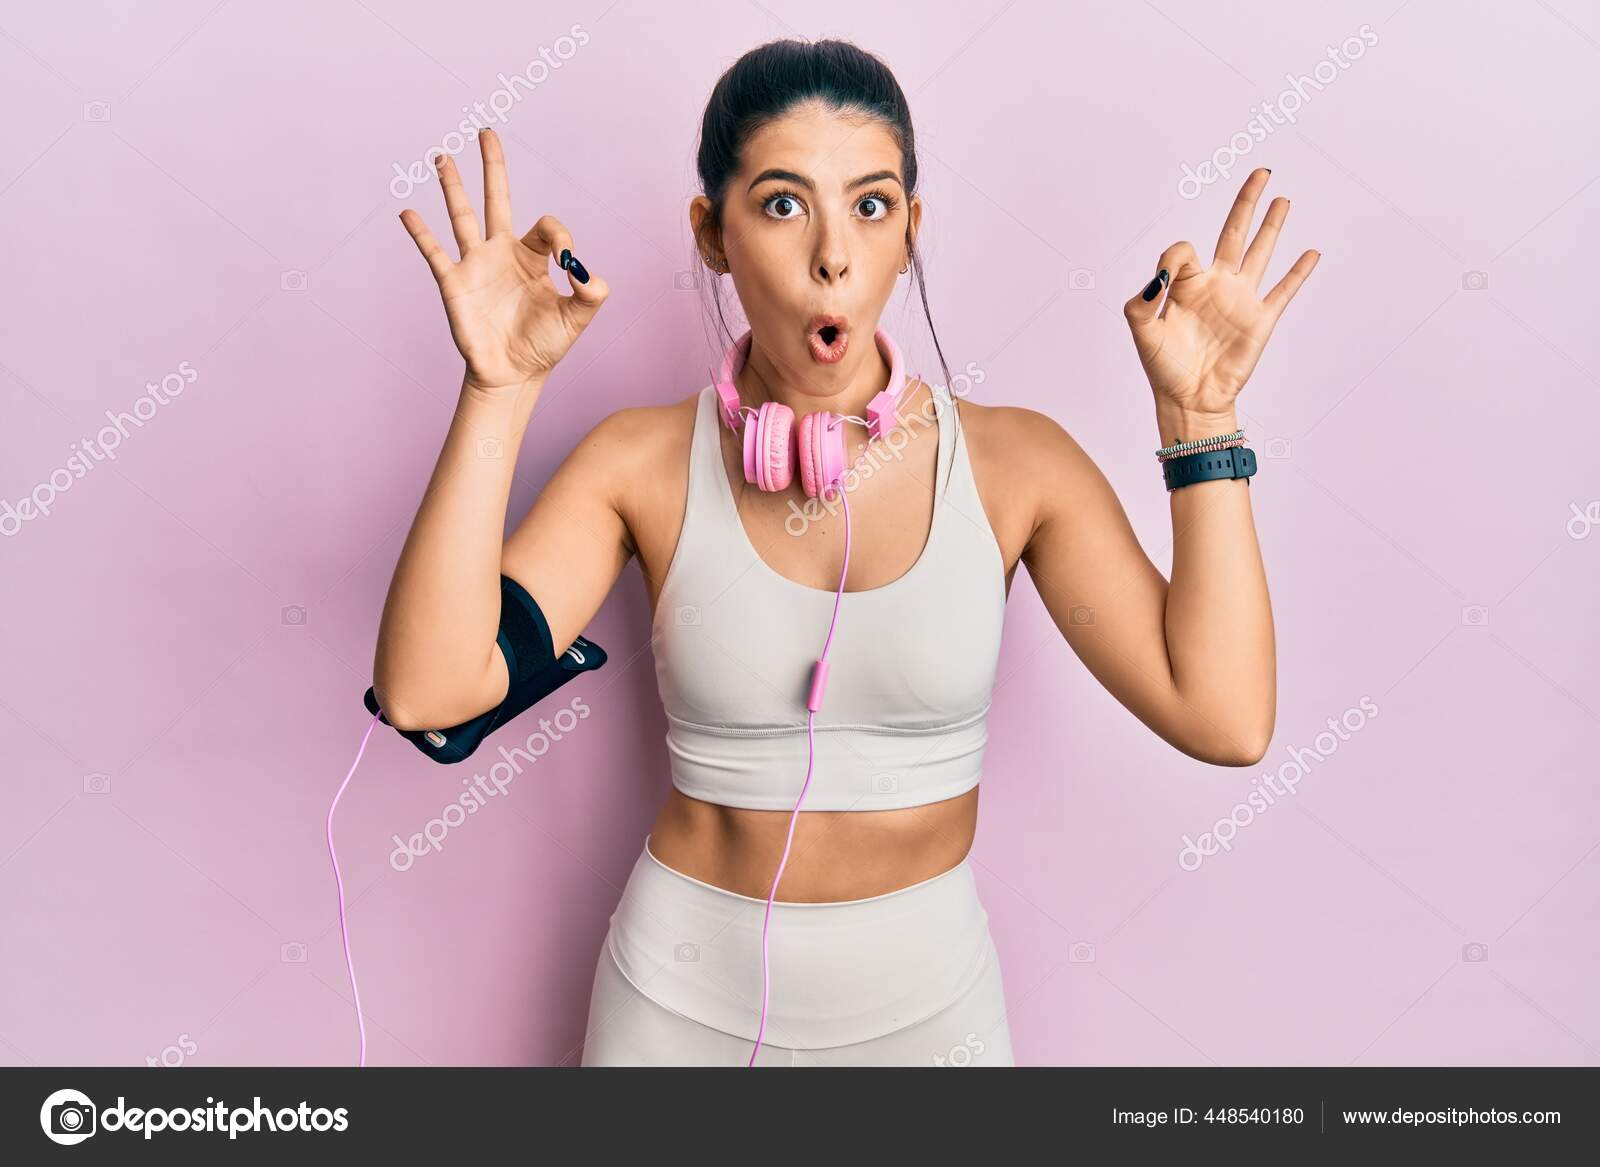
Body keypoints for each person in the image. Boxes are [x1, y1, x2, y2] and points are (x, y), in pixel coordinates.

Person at [374, 38, 1316, 1067]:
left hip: (931, 1019)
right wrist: (499, 393)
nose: (832, 255)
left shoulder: (1016, 465)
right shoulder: (635, 464)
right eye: (782, 204)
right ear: (713, 233)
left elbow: (1224, 720)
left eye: (869, 207)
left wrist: (1200, 418)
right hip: (672, 1012)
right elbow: (429, 692)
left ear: (910, 231)